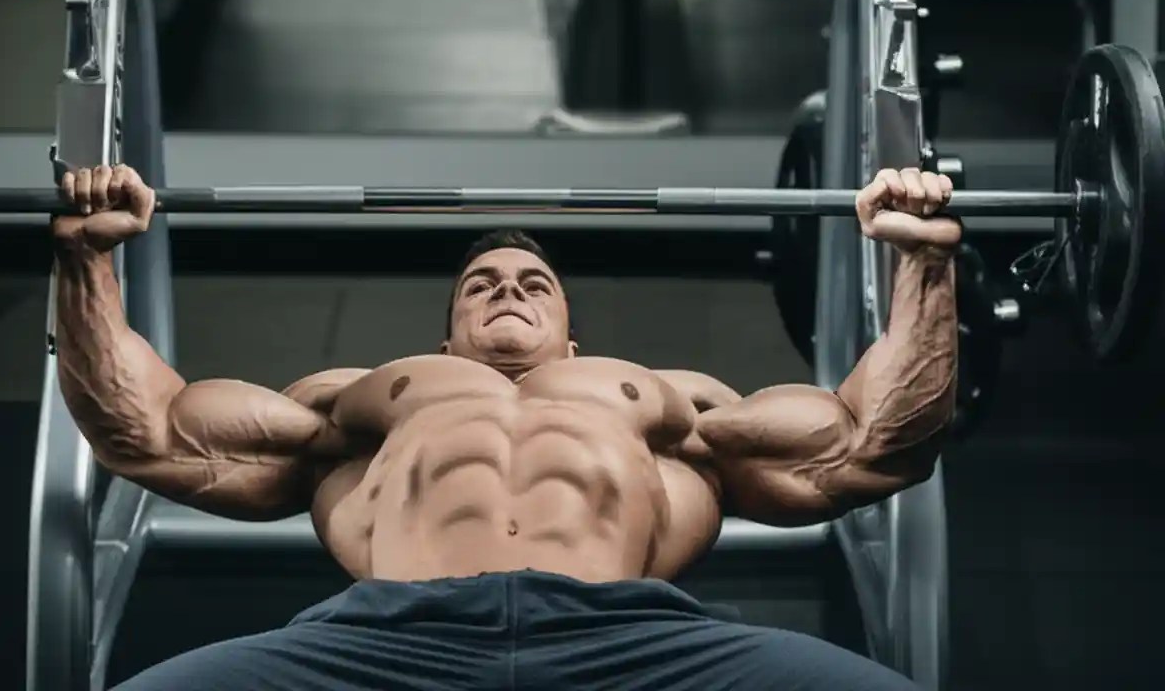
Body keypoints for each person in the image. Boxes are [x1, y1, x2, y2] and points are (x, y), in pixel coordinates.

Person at [52, 164, 960, 690]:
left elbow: (870, 446)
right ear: (444, 340)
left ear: (574, 337)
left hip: (633, 641)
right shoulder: (365, 402)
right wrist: (87, 257)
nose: (507, 290)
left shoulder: (665, 403)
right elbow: (152, 433)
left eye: (534, 285)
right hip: (385, 646)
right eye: (479, 285)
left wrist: (923, 264)